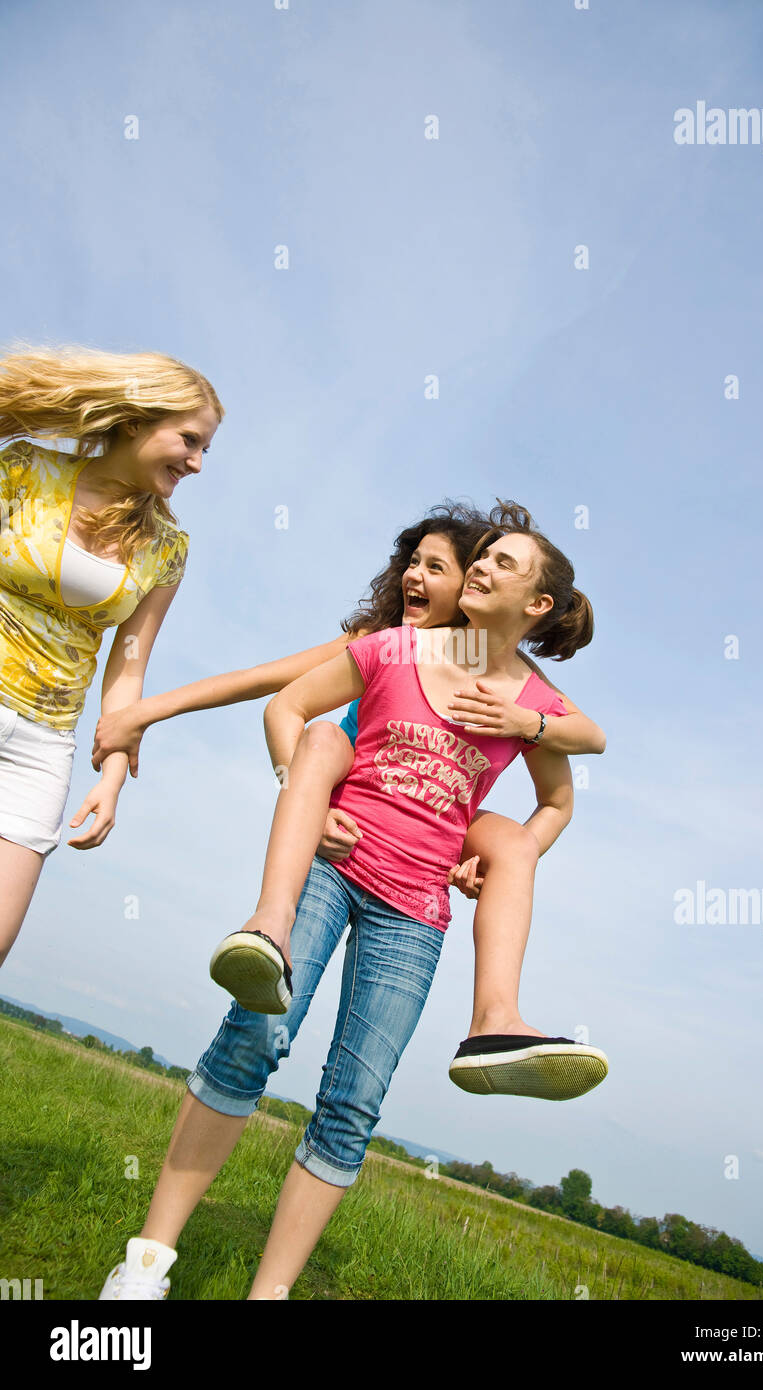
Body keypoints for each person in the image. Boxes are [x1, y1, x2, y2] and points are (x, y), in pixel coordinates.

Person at [99, 508, 608, 1301]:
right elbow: (285, 704)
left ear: (537, 606)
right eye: (478, 560)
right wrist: (160, 721)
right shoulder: (392, 649)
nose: (479, 570)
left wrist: (499, 857)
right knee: (251, 1041)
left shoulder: (537, 704)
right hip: (336, 866)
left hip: (416, 908)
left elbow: (559, 798)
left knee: (352, 1106)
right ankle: (144, 1266)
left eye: (501, 564)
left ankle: (495, 1023)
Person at [0, 344, 221, 967]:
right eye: (189, 440)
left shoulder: (167, 548)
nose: (198, 463)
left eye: (206, 449)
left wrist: (113, 775)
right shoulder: (23, 470)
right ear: (135, 420)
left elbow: (129, 666)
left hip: (42, 742)